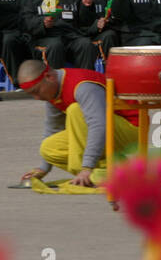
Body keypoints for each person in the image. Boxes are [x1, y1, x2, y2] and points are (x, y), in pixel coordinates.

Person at [14, 59, 139, 189]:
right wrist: (43, 169)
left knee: (76, 110)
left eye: (37, 91)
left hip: (131, 131)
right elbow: (53, 129)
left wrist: (86, 167)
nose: (37, 98)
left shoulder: (82, 86)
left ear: (49, 77)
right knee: (48, 148)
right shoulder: (52, 91)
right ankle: (113, 171)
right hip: (106, 133)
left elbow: (99, 125)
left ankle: (94, 173)